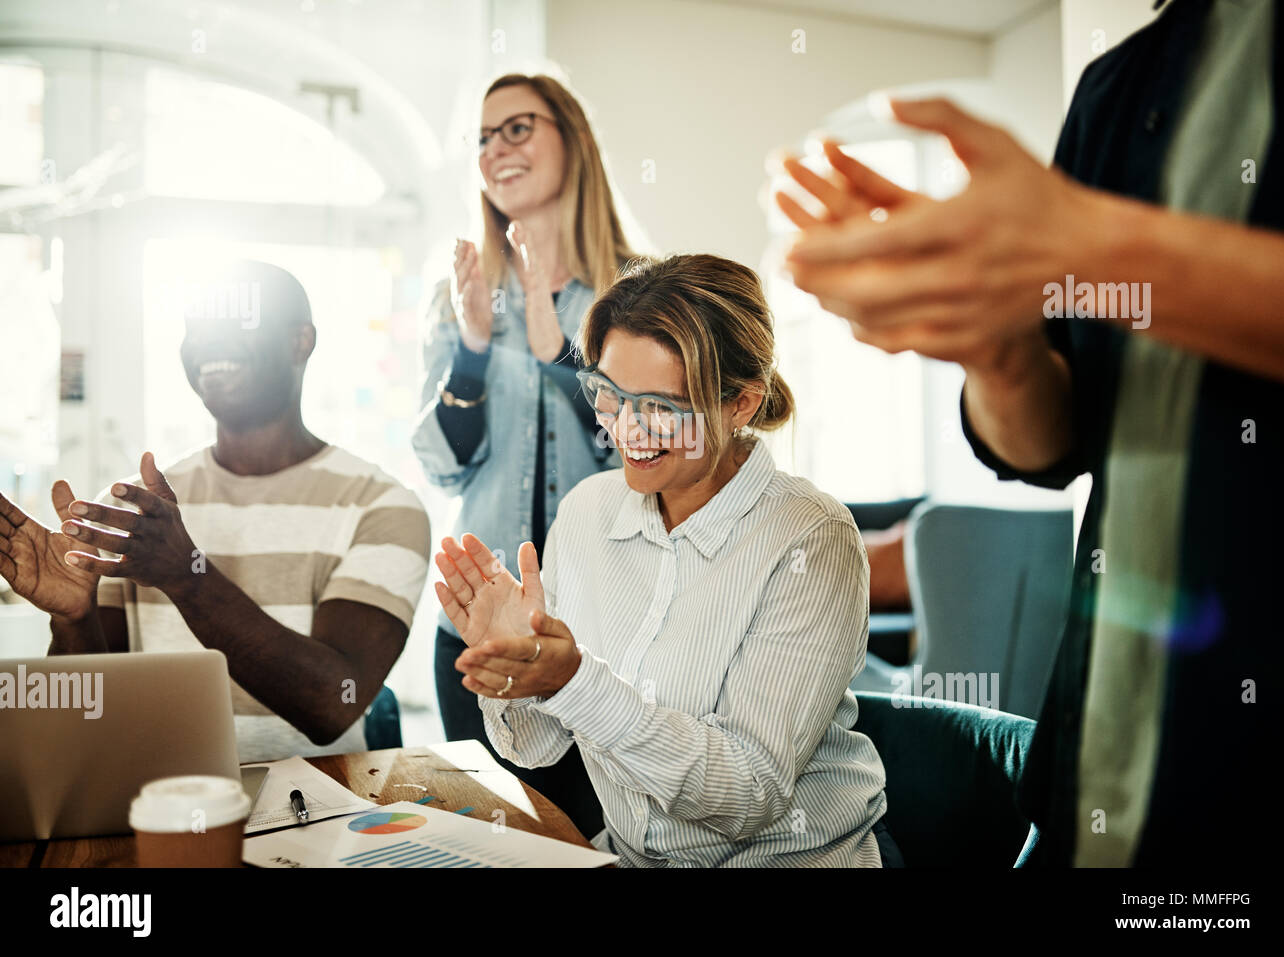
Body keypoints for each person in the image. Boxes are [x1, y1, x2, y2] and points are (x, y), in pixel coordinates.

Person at [778, 0, 1284, 866]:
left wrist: (1094, 246)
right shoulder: (1119, 86)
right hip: (1104, 751)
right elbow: (1056, 441)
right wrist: (997, 350)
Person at [431, 254, 898, 867]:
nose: (626, 429)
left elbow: (749, 792)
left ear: (741, 404)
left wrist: (574, 680)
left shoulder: (810, 538)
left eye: (661, 407)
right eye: (609, 394)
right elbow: (538, 748)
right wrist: (520, 673)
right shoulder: (589, 511)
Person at [0, 261, 431, 763]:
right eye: (195, 329)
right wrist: (74, 618)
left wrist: (186, 576)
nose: (208, 343)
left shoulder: (383, 506)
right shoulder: (133, 512)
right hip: (156, 806)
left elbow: (334, 706)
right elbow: (89, 722)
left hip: (321, 817)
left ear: (301, 341)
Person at [412, 73, 636, 837]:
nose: (496, 150)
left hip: (603, 640)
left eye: (517, 128)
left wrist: (557, 354)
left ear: (570, 138)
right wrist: (473, 351)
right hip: (473, 632)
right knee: (487, 841)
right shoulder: (460, 296)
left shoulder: (639, 292)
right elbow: (442, 464)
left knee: (590, 839)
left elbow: (646, 453)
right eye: (482, 137)